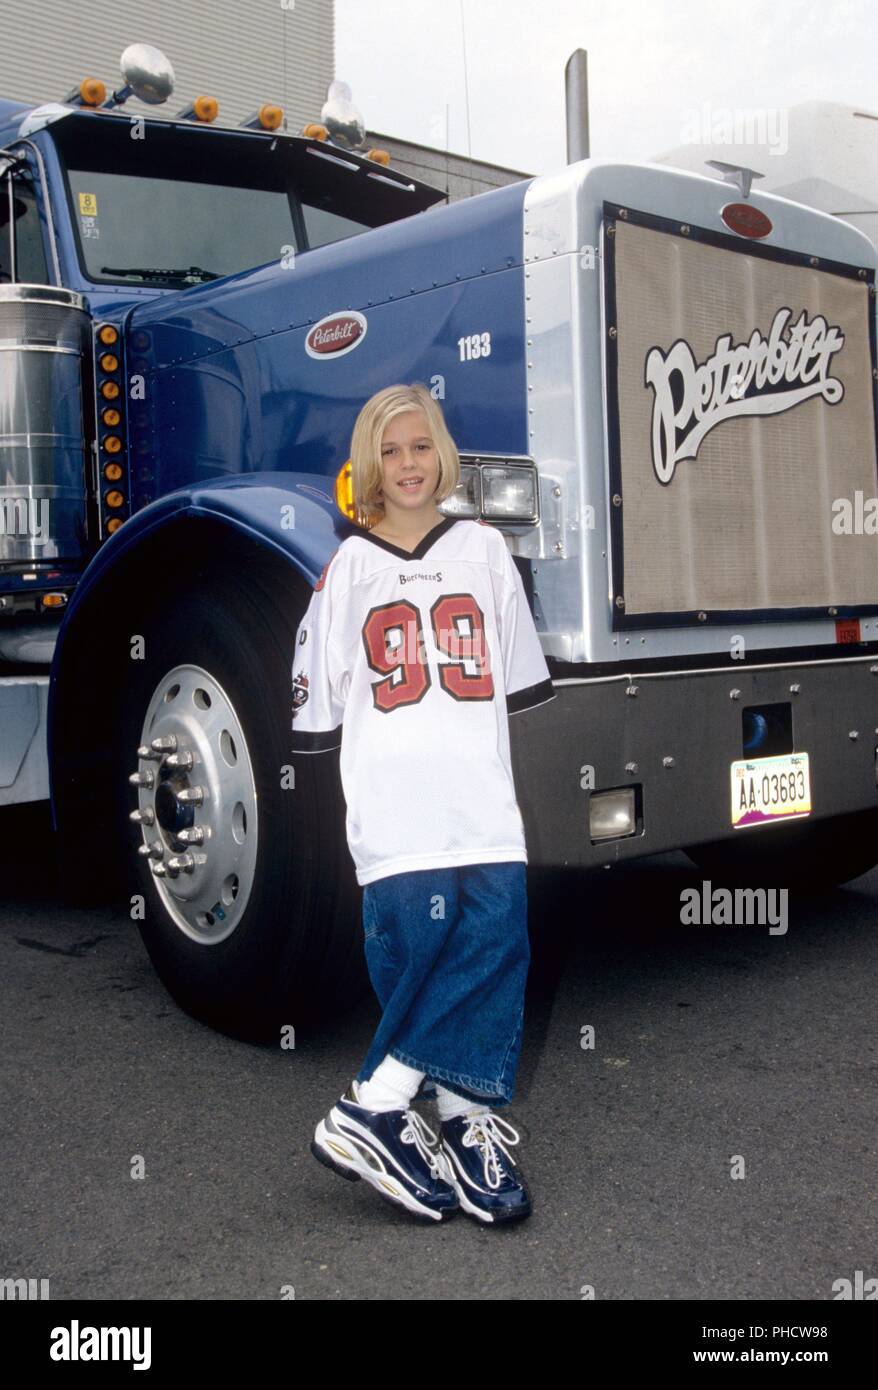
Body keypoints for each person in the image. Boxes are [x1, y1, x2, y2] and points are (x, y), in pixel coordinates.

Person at [290, 382, 555, 1224]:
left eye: (420, 446)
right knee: (421, 961)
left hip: (480, 803)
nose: (408, 464)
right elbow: (316, 710)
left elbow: (514, 681)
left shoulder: (483, 550)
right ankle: (434, 1113)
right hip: (398, 816)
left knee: (496, 944)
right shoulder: (347, 570)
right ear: (368, 464)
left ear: (442, 454)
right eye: (390, 450)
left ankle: (394, 1105)